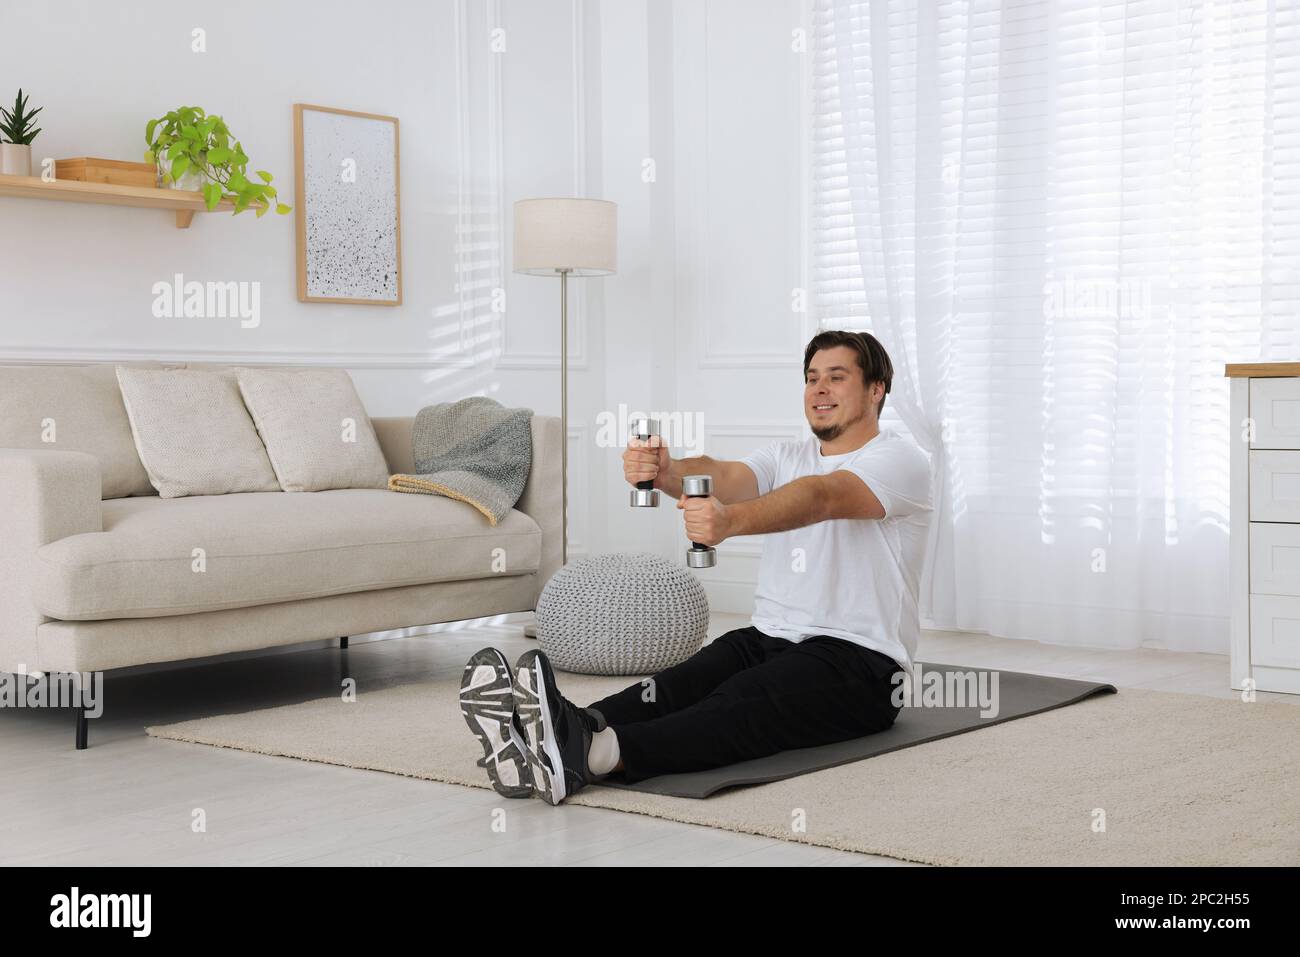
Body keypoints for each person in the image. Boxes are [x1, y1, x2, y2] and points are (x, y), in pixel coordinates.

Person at [459, 329, 933, 805]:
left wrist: (730, 522)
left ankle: (593, 755)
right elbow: (723, 475)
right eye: (812, 379)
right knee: (674, 686)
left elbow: (821, 497)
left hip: (863, 662)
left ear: (876, 389)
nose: (819, 390)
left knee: (742, 698)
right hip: (771, 637)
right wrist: (667, 473)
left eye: (836, 377)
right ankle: (561, 729)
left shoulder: (900, 460)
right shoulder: (787, 455)